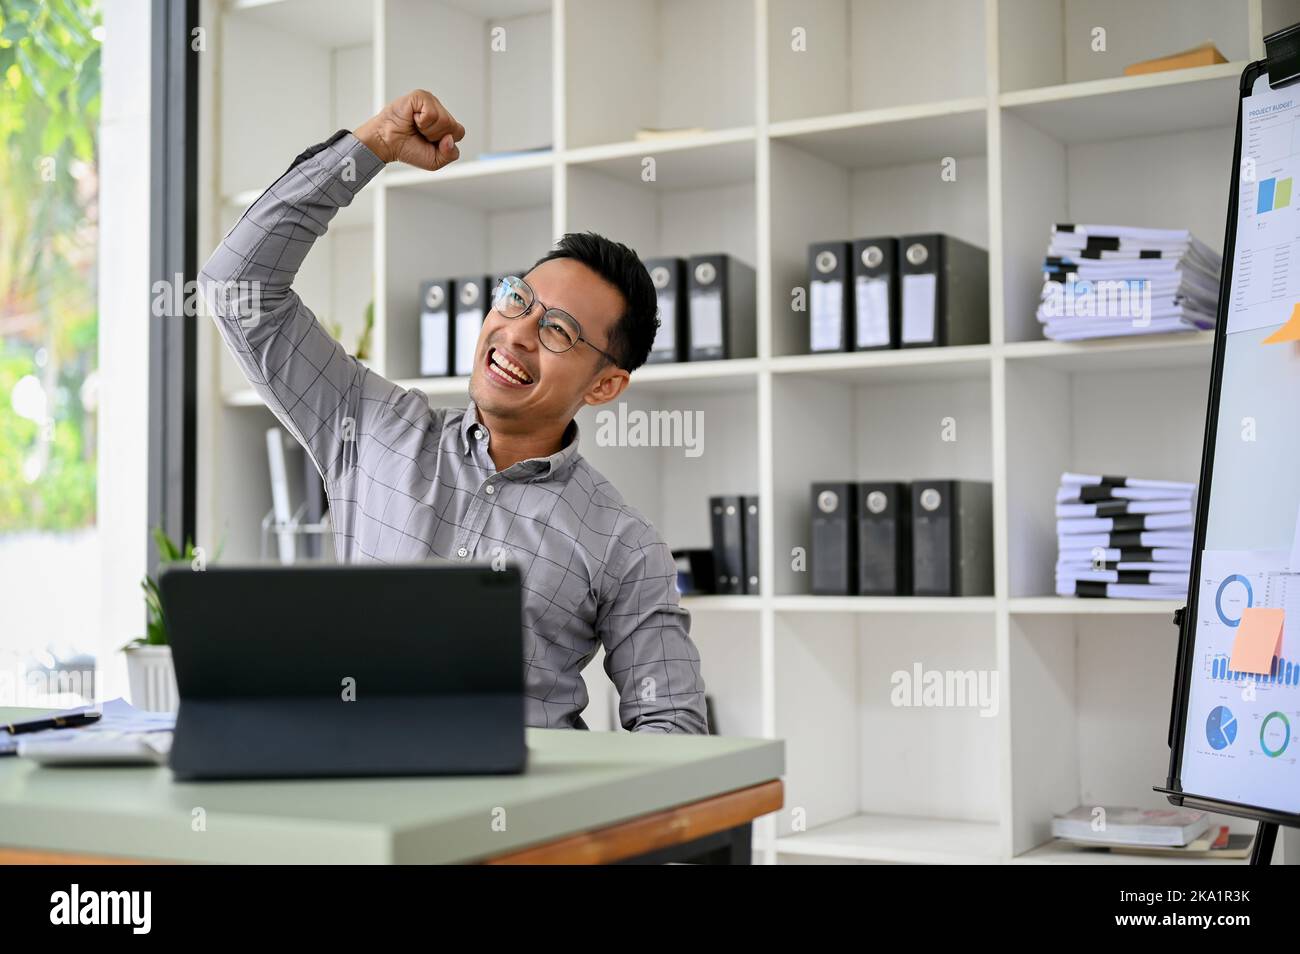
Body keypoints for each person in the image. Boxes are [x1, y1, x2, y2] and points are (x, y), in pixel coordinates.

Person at [199, 90, 707, 734]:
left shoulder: (622, 544)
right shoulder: (370, 426)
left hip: (521, 822)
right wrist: (374, 144)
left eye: (559, 331)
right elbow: (237, 287)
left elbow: (673, 727)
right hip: (359, 799)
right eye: (517, 300)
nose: (518, 333)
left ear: (605, 385)